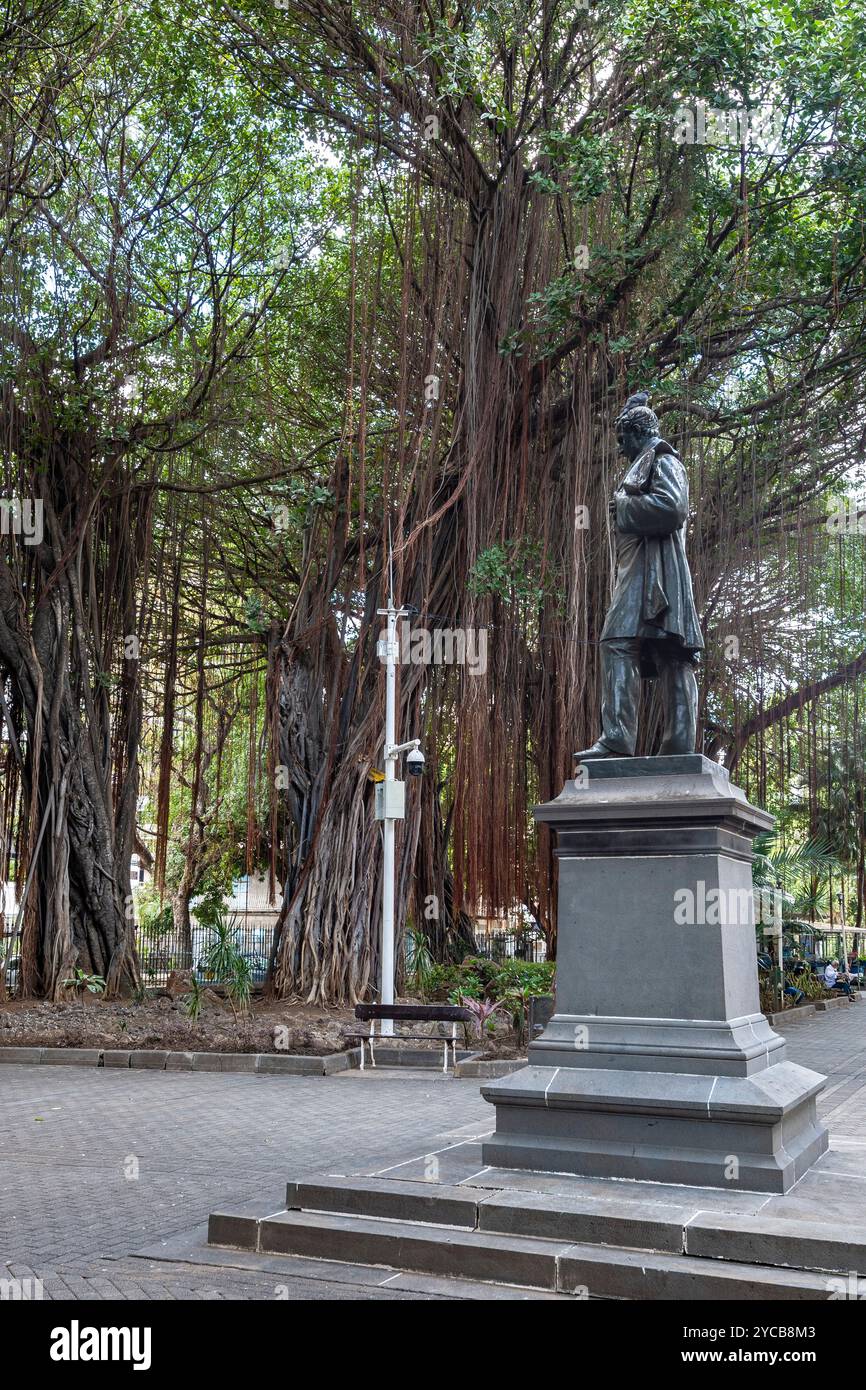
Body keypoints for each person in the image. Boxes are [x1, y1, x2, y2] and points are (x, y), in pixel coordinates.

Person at [575, 392, 704, 760]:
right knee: (668, 652)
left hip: (655, 573)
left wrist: (624, 506)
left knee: (621, 643)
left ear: (636, 433)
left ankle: (621, 740)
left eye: (622, 439)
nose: (620, 449)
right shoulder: (650, 461)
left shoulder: (663, 460)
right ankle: (673, 745)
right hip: (643, 570)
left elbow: (672, 508)